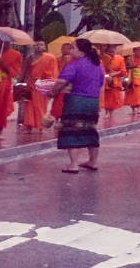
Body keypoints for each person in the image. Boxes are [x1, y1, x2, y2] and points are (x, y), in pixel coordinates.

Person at [48, 38, 105, 172]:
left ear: (81, 51)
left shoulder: (74, 64)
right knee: (90, 129)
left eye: (72, 47)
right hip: (92, 102)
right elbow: (101, 83)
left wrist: (53, 92)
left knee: (72, 130)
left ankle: (73, 165)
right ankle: (92, 162)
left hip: (76, 101)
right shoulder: (97, 65)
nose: (69, 50)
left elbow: (61, 81)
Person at [23, 41, 59, 132]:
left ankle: (41, 126)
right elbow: (25, 71)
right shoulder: (30, 58)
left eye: (41, 45)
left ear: (44, 47)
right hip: (31, 84)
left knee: (40, 106)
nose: (38, 47)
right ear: (34, 47)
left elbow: (53, 72)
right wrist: (21, 81)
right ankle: (28, 126)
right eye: (36, 45)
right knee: (29, 106)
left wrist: (52, 85)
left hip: (43, 84)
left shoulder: (50, 58)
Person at [49, 41, 74, 122]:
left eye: (67, 48)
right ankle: (56, 118)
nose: (65, 50)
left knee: (63, 101)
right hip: (58, 81)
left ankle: (63, 118)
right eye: (63, 48)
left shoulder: (72, 59)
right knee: (57, 102)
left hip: (66, 83)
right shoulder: (57, 59)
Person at [100, 44, 126, 119]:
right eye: (109, 52)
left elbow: (123, 71)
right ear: (106, 52)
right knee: (106, 98)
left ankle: (111, 112)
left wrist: (114, 73)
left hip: (115, 81)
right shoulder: (102, 59)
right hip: (105, 79)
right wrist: (107, 75)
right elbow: (100, 69)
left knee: (113, 98)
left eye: (113, 51)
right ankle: (106, 112)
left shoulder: (120, 59)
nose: (111, 53)